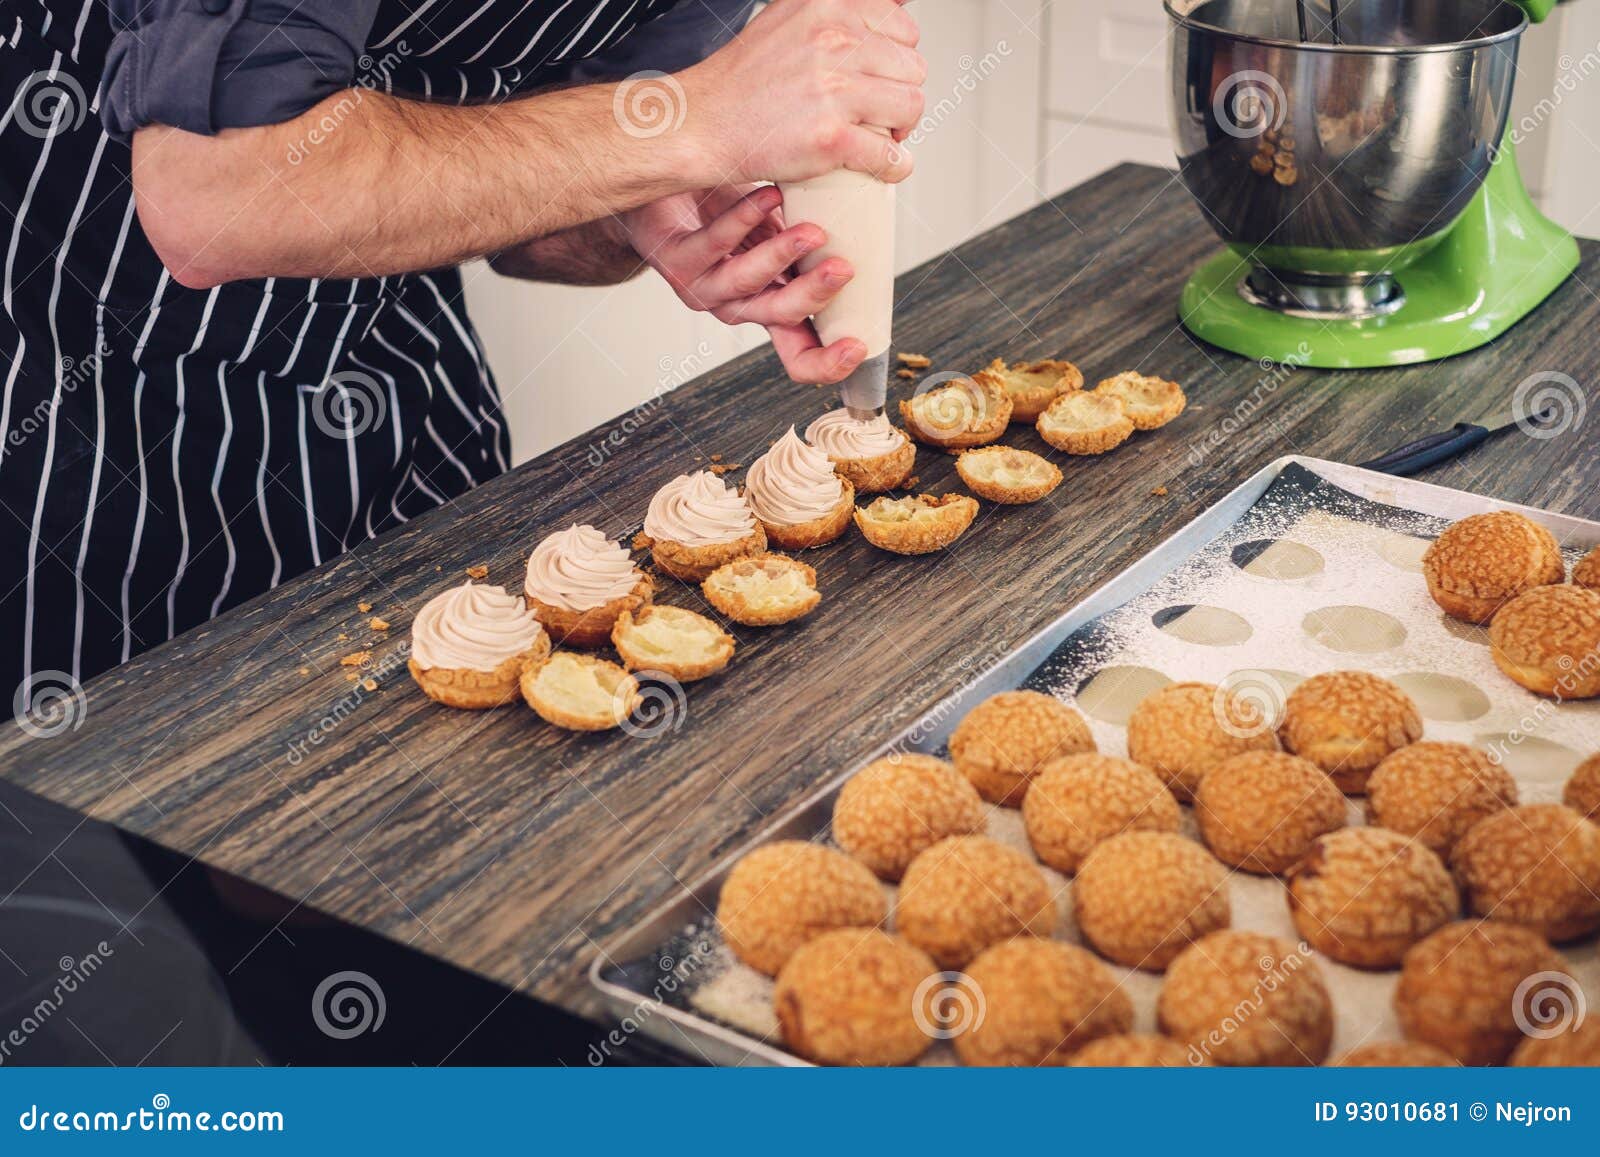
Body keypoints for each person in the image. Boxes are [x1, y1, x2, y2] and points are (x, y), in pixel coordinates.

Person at [0, 0, 926, 711]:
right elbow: (217, 196)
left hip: (401, 370)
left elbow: (544, 213)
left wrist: (653, 204)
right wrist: (693, 119)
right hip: (97, 419)